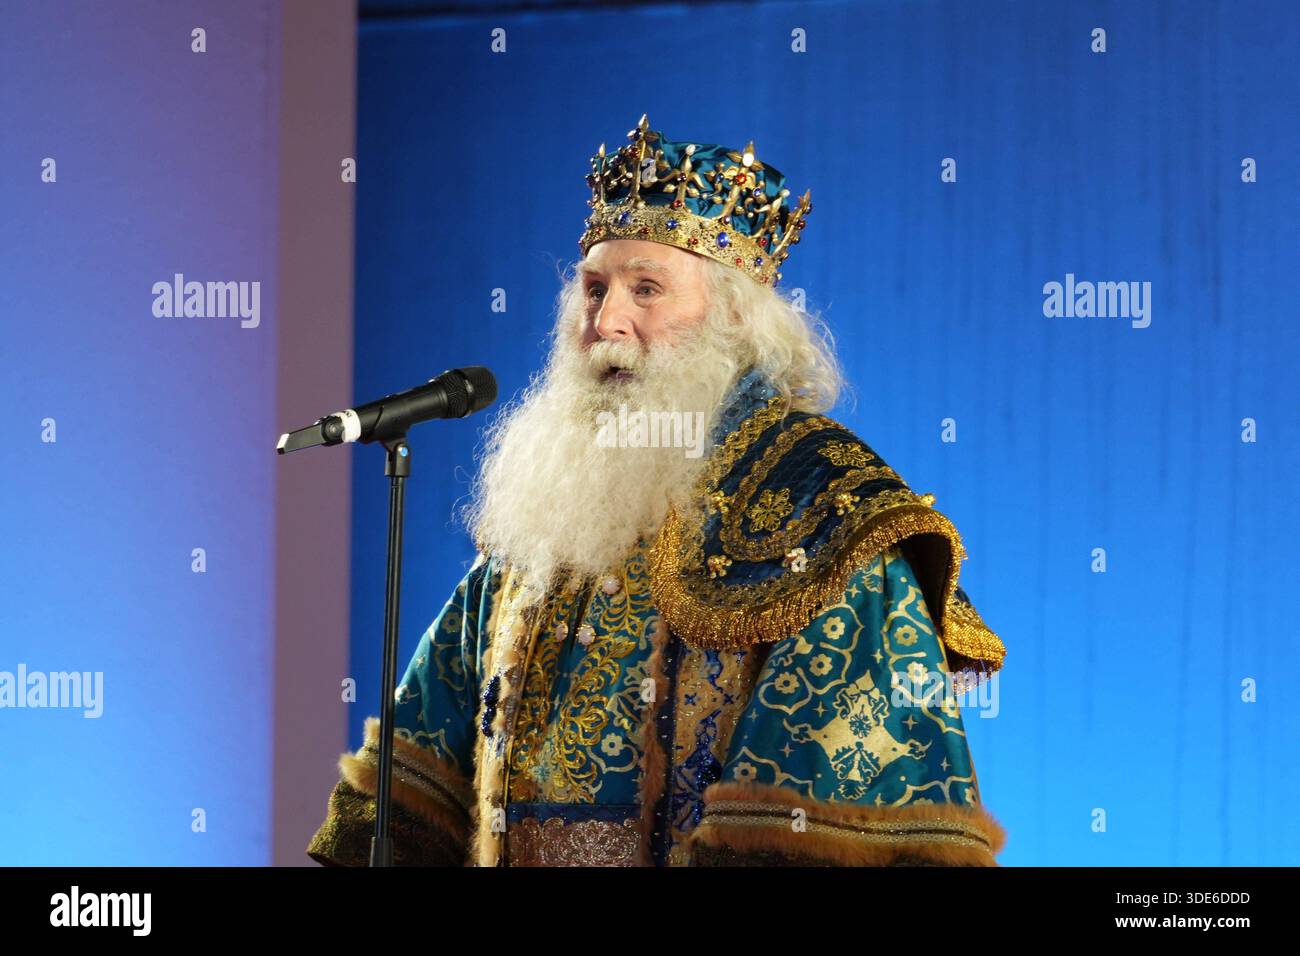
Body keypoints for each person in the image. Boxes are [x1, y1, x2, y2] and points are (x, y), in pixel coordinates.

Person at [307, 114, 1008, 867]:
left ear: (735, 320)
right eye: (594, 288)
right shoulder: (549, 508)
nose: (607, 321)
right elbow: (416, 791)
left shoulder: (823, 507)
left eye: (647, 290)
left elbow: (825, 818)